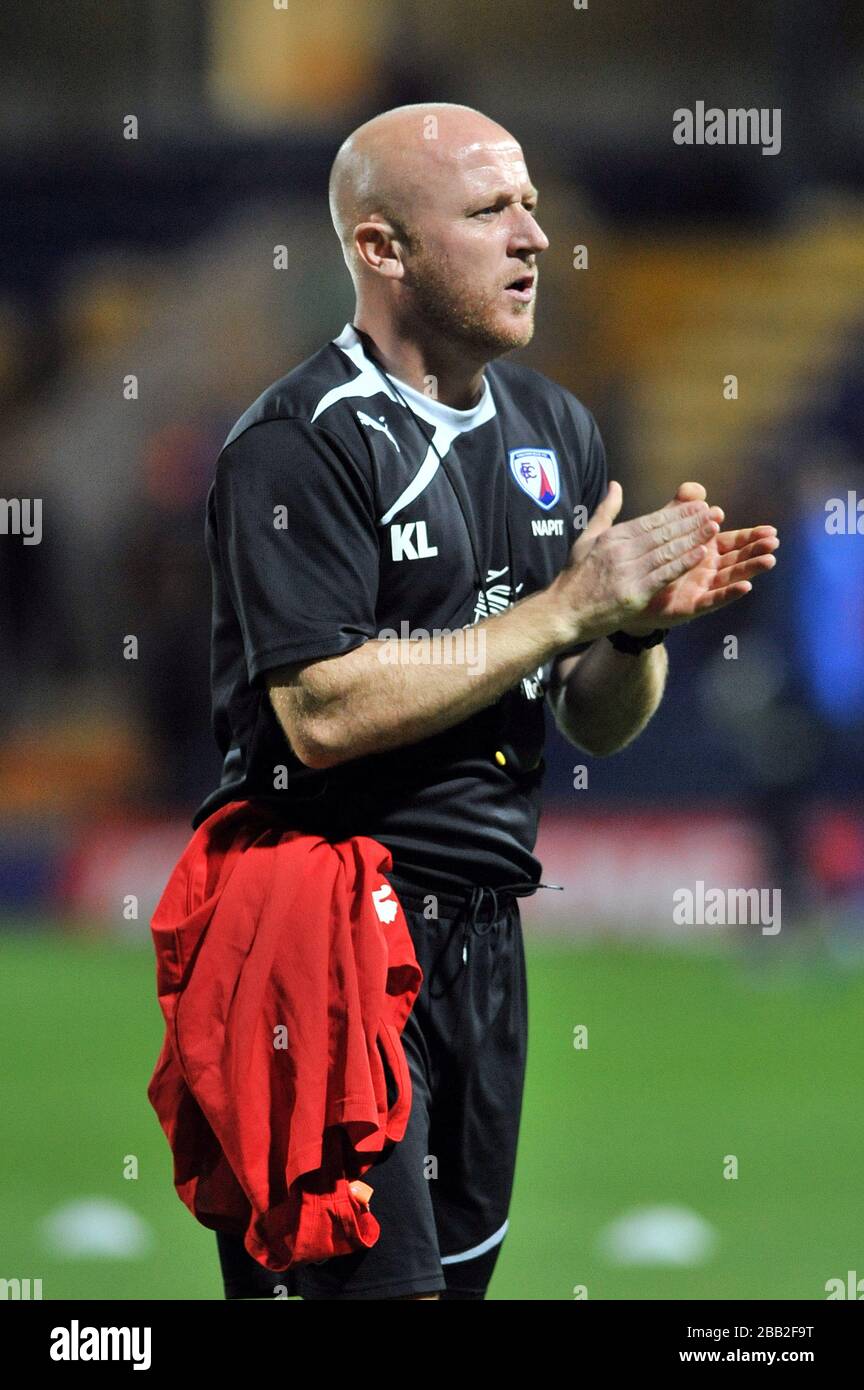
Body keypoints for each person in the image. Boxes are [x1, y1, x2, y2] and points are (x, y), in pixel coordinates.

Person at [199, 102, 779, 1300]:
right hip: (323, 927)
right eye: (488, 212)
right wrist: (570, 608)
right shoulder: (298, 444)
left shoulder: (553, 427)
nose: (534, 238)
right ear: (382, 251)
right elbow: (319, 711)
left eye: (530, 205)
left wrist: (629, 632)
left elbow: (589, 715)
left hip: (481, 937)